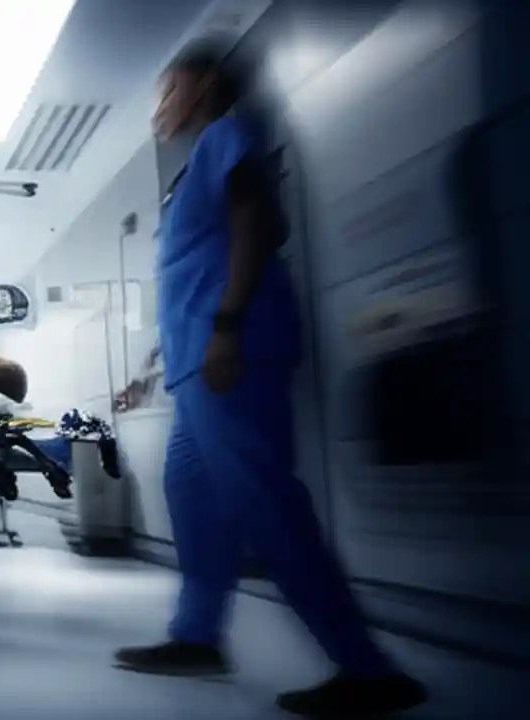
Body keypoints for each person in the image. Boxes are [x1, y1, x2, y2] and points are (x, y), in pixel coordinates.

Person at [112, 40, 427, 717]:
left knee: (266, 505)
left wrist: (226, 326)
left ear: (207, 83)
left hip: (232, 352)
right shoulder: (198, 164)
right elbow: (192, 276)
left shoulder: (228, 133)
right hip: (196, 363)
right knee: (190, 494)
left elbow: (260, 220)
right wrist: (150, 371)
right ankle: (197, 638)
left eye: (169, 90)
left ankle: (368, 669)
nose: (160, 107)